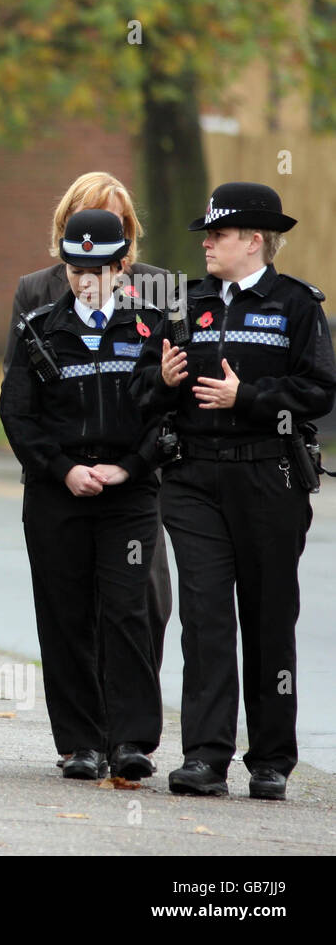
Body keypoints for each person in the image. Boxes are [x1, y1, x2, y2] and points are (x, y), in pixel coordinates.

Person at [131, 181, 336, 799]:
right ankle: (205, 757)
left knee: (269, 616)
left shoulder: (296, 304)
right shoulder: (182, 305)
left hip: (268, 477)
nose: (207, 244)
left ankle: (271, 760)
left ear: (254, 240)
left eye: (217, 234)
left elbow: (319, 391)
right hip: (193, 478)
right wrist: (163, 380)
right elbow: (140, 389)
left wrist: (247, 397)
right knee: (205, 618)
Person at [3, 171, 175, 770]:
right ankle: (81, 743)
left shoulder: (152, 326)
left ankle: (130, 741)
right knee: (65, 613)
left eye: (98, 269)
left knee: (130, 611)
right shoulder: (38, 327)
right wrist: (62, 469)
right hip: (60, 493)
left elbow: (164, 413)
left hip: (129, 493)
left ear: (121, 267)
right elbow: (17, 413)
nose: (86, 279)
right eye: (77, 269)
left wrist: (130, 467)